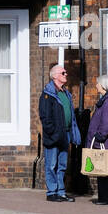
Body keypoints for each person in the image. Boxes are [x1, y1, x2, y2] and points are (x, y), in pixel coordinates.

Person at [38, 63, 79, 202]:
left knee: (62, 165)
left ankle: (61, 191)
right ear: (55, 76)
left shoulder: (65, 93)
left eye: (65, 72)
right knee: (51, 164)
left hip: (66, 134)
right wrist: (54, 133)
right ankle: (52, 192)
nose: (66, 74)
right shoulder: (47, 95)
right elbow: (45, 117)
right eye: (63, 73)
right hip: (54, 136)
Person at [85, 74, 108, 205]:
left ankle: (107, 198)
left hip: (104, 141)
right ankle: (104, 198)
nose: (96, 85)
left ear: (103, 85)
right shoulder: (106, 100)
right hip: (102, 140)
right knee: (102, 170)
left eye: (98, 83)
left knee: (105, 171)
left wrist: (100, 136)